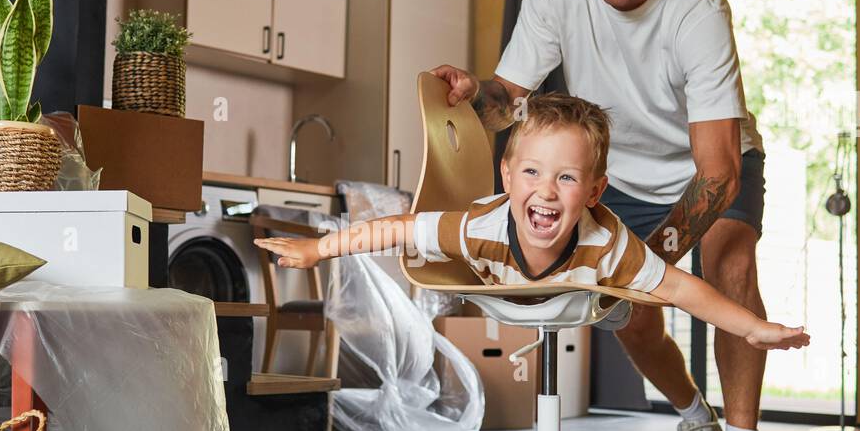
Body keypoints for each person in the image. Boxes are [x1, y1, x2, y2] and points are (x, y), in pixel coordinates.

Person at [430, 0, 777, 431]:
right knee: (630, 315)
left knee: (728, 264)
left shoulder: (697, 8)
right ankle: (693, 421)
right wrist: (477, 95)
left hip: (703, 168)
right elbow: (511, 105)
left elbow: (718, 172)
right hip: (612, 175)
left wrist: (656, 261)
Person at [255, 95, 807, 370]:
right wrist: (317, 248)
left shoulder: (607, 242)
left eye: (567, 178)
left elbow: (685, 289)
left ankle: (626, 314)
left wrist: (752, 327)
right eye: (532, 174)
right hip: (509, 293)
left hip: (591, 293)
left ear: (593, 193)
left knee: (634, 302)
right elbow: (398, 228)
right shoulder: (480, 225)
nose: (545, 191)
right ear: (507, 178)